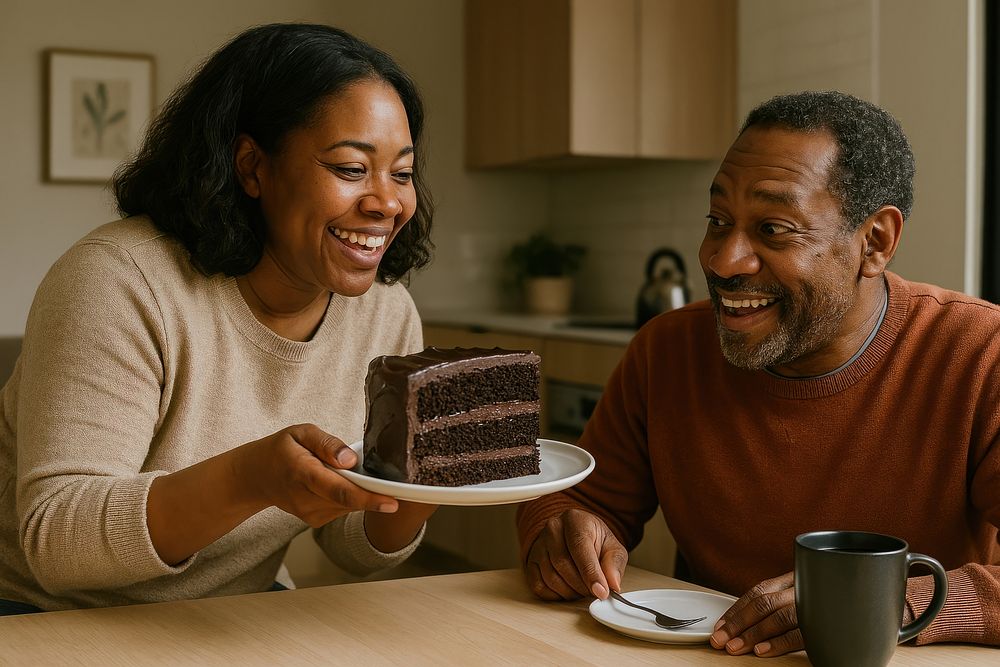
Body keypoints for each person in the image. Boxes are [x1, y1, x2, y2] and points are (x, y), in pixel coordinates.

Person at [516, 90, 1000, 653]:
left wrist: (884, 602)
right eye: (718, 220)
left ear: (875, 242)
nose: (722, 260)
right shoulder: (667, 350)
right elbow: (582, 502)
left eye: (773, 229)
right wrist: (561, 533)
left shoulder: (979, 353)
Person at [0, 22, 438, 613]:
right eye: (351, 168)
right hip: (39, 615)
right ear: (252, 167)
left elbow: (352, 547)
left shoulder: (388, 316)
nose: (387, 202)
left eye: (403, 173)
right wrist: (249, 479)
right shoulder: (119, 280)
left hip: (228, 611)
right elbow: (57, 542)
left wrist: (428, 484)